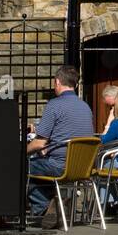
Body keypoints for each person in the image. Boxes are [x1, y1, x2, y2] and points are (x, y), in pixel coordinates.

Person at [26, 65, 93, 225]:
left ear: (57, 82)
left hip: (59, 166)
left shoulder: (54, 105)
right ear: (75, 84)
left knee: (21, 166)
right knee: (39, 165)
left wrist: (20, 152)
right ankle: (56, 204)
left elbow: (39, 142)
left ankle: (44, 209)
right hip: (82, 167)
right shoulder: (86, 107)